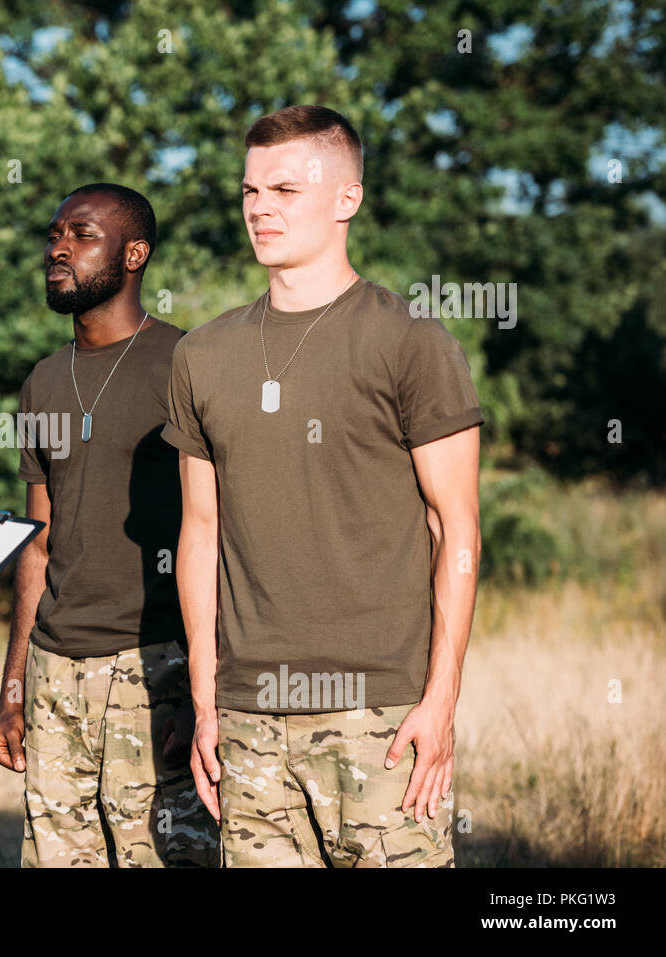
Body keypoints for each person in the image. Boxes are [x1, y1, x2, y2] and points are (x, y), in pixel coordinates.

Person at [164, 106, 482, 867]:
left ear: (347, 199)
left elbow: (457, 531)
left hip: (382, 714)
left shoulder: (411, 340)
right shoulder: (202, 356)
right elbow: (199, 533)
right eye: (249, 190)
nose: (259, 208)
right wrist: (207, 703)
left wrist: (439, 703)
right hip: (248, 718)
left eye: (284, 188)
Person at [0, 183, 218, 867]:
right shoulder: (43, 381)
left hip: (156, 668)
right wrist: (14, 689)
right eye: (55, 233)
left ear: (135, 253)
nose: (58, 247)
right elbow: (38, 544)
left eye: (81, 234)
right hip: (55, 673)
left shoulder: (188, 364)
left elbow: (227, 538)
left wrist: (204, 694)